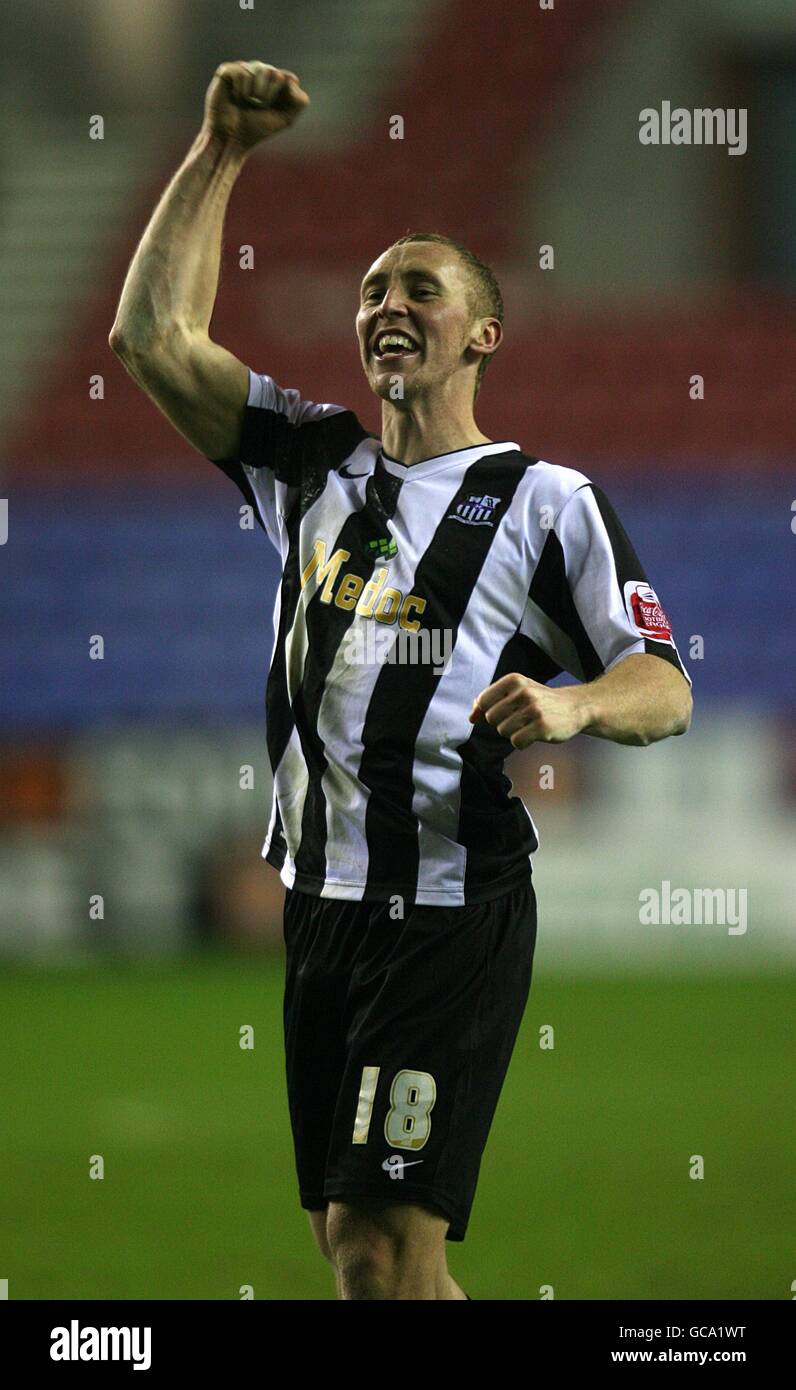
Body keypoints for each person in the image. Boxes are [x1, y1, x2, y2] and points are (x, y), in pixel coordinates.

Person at [109, 61, 693, 1301]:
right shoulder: (309, 463)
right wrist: (220, 148)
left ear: (482, 331)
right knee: (355, 1247)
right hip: (319, 904)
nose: (385, 302)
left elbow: (664, 682)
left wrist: (576, 703)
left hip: (445, 908)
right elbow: (151, 338)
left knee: (380, 1251)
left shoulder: (543, 501)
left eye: (418, 287)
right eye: (371, 287)